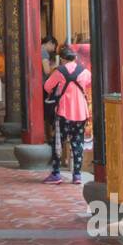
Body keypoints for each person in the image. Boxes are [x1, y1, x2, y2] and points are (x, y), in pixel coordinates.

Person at [42, 45, 91, 185]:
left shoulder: (60, 71)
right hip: (81, 112)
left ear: (62, 59)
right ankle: (77, 175)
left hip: (64, 112)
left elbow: (47, 86)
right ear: (75, 58)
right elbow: (88, 84)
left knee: (58, 142)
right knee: (78, 143)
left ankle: (56, 173)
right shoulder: (84, 71)